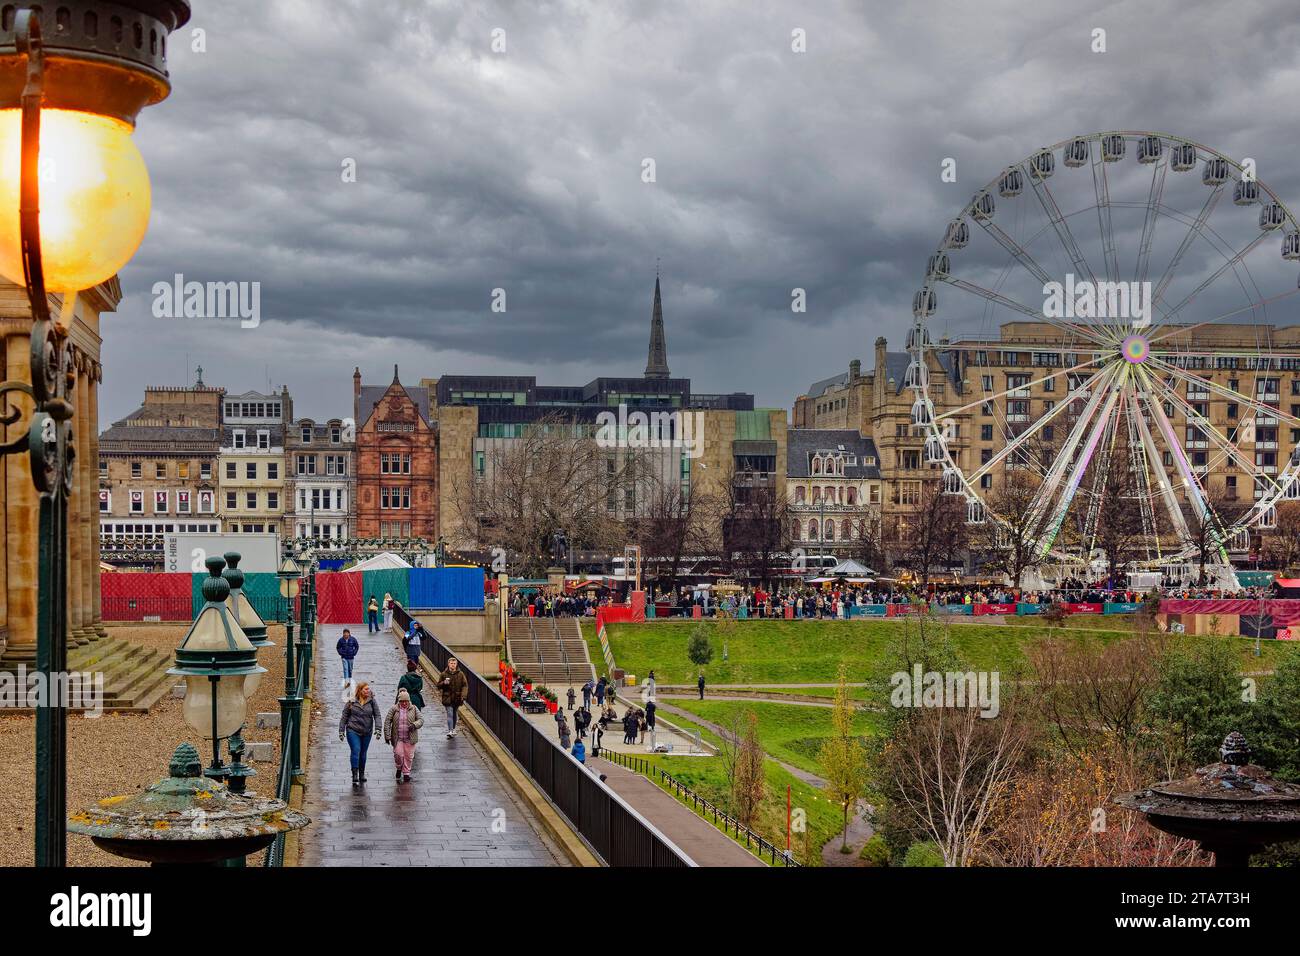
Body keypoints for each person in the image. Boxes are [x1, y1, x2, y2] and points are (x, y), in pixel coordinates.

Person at [339, 681, 382, 785]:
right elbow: (344, 716)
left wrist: (378, 728)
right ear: (360, 690)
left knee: (363, 753)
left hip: (367, 731)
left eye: (369, 689)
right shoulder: (351, 701)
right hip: (353, 730)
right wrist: (341, 730)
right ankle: (354, 774)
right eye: (366, 689)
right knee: (356, 750)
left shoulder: (372, 701)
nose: (368, 690)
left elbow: (377, 715)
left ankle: (361, 774)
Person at [383, 687, 424, 782]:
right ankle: (399, 767)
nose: (404, 703)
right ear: (399, 701)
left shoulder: (413, 708)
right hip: (398, 738)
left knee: (409, 756)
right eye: (402, 701)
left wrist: (414, 725)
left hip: (410, 738)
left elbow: (421, 720)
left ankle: (406, 773)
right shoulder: (394, 709)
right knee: (398, 754)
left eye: (406, 701)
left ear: (409, 701)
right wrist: (387, 735)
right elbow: (387, 721)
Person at [436, 656, 469, 738]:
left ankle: (453, 729)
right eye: (451, 663)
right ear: (448, 664)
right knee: (450, 713)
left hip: (457, 698)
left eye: (454, 663)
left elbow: (465, 685)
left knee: (454, 713)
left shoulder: (461, 674)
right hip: (447, 697)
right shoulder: (444, 674)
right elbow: (438, 685)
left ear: (456, 664)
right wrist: (444, 683)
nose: (453, 665)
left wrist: (463, 695)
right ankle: (450, 730)